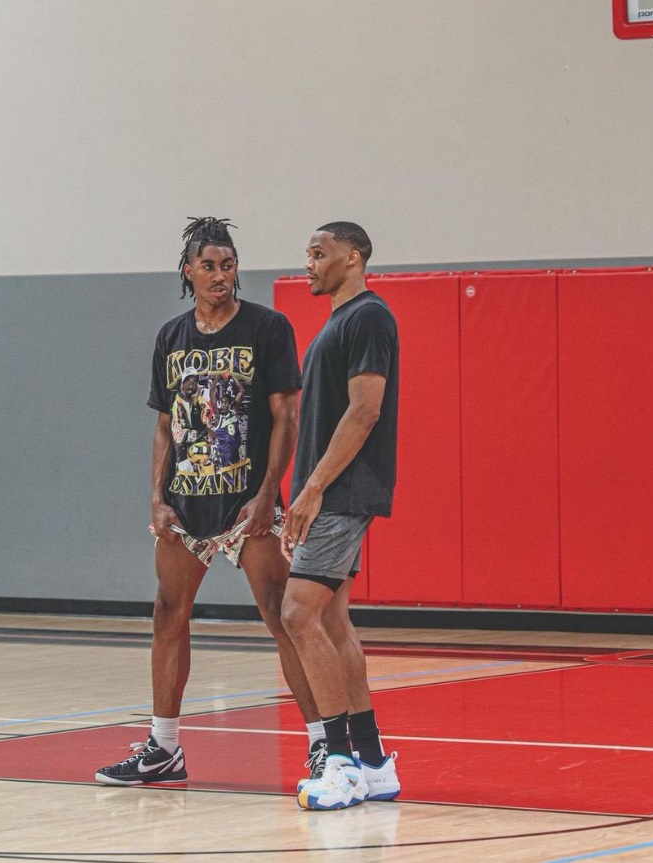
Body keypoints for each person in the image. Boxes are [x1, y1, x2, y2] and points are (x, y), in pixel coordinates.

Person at [96, 216, 320, 786]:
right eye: (210, 266)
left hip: (247, 502)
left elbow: (285, 415)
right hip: (186, 503)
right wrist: (156, 498)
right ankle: (164, 747)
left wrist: (269, 491)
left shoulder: (268, 328)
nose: (222, 275)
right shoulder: (171, 338)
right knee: (168, 614)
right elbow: (166, 428)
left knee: (281, 616)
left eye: (229, 265)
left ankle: (324, 745)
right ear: (189, 272)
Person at [280, 222, 401, 810]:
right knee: (331, 624)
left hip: (341, 492)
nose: (309, 263)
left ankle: (341, 763)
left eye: (319, 253)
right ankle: (374, 762)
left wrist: (312, 490)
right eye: (307, 253)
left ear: (353, 258)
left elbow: (364, 411)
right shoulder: (339, 320)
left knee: (297, 615)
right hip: (334, 492)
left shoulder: (368, 317)